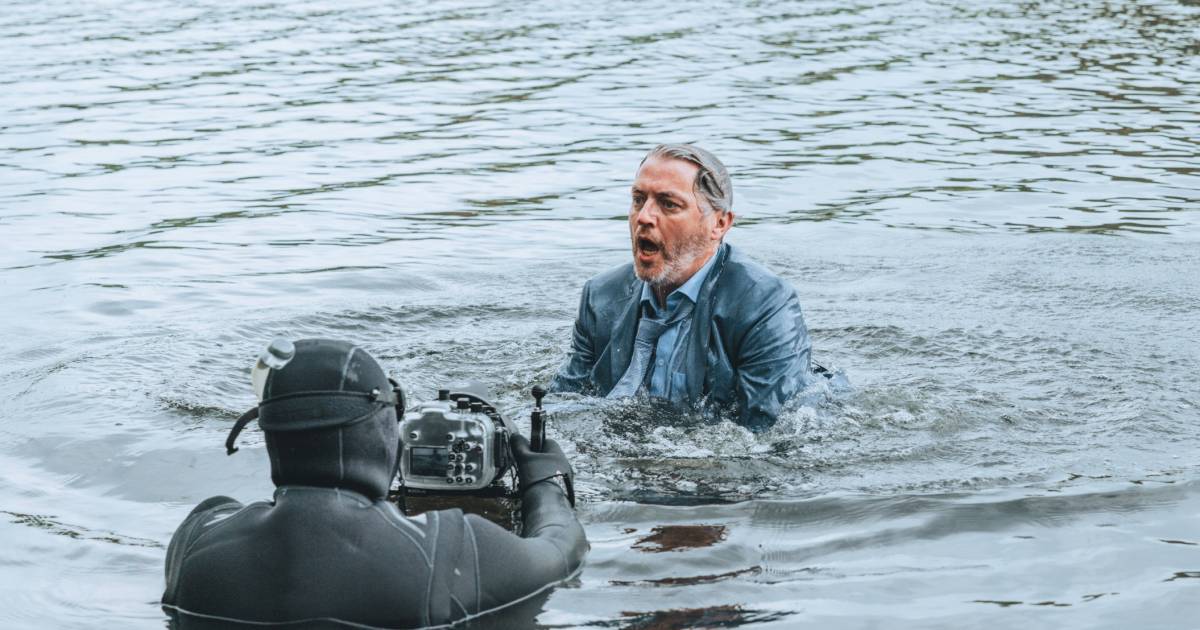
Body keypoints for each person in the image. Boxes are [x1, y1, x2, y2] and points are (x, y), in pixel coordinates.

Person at [162, 339, 587, 628]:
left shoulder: (196, 545)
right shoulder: (449, 550)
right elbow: (561, 550)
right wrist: (544, 479)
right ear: (382, 431)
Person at [551, 144, 813, 431]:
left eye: (668, 204)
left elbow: (767, 435)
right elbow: (563, 405)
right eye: (639, 199)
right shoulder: (600, 296)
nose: (644, 217)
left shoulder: (764, 304)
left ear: (719, 224)